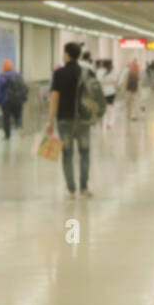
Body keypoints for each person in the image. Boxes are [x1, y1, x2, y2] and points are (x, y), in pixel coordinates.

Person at [46, 42, 92, 199]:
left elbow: (54, 98)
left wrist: (50, 121)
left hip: (64, 119)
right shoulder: (86, 73)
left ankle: (71, 190)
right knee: (84, 153)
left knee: (67, 154)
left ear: (66, 54)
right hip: (83, 120)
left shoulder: (59, 74)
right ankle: (84, 188)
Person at [0, 58, 26, 139]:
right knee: (18, 116)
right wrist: (24, 98)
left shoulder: (2, 77)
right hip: (18, 100)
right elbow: (23, 88)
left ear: (4, 67)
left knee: (6, 118)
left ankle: (7, 135)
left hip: (7, 101)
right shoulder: (19, 75)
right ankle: (20, 128)